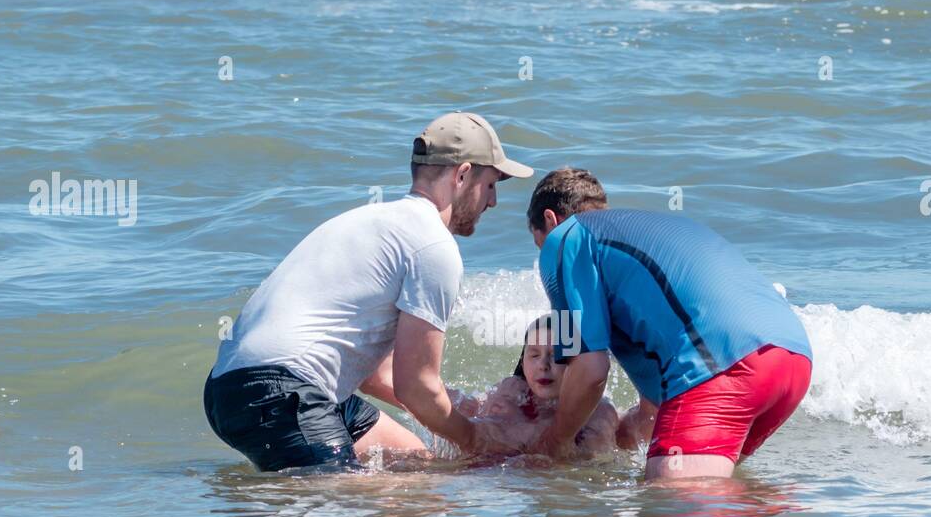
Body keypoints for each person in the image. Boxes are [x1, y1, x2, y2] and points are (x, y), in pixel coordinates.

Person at [203, 112, 533, 471]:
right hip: (284, 392)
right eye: (491, 184)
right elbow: (417, 389)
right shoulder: (433, 246)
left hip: (229, 389)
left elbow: (378, 376)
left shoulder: (372, 220)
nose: (494, 201)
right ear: (463, 175)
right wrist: (476, 439)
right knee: (350, 502)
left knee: (420, 466)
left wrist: (462, 406)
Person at [524, 167, 813, 481]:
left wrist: (556, 440)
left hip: (723, 371)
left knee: (677, 514)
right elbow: (673, 332)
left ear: (550, 221)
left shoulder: (564, 240)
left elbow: (590, 369)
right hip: (792, 360)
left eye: (539, 243)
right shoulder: (641, 232)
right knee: (727, 507)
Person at [454, 314, 619, 456]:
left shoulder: (598, 411)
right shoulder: (510, 393)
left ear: (576, 362)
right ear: (522, 362)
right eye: (534, 355)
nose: (543, 365)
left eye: (556, 356)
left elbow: (596, 465)